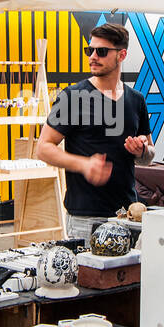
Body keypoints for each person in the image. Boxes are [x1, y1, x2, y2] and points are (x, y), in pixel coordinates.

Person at [37, 23, 154, 241]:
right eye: (89, 50)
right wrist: (83, 164)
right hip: (86, 218)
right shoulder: (73, 97)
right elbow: (43, 148)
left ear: (121, 55)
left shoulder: (136, 100)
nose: (92, 56)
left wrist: (142, 151)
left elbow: (149, 156)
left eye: (101, 51)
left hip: (128, 214)